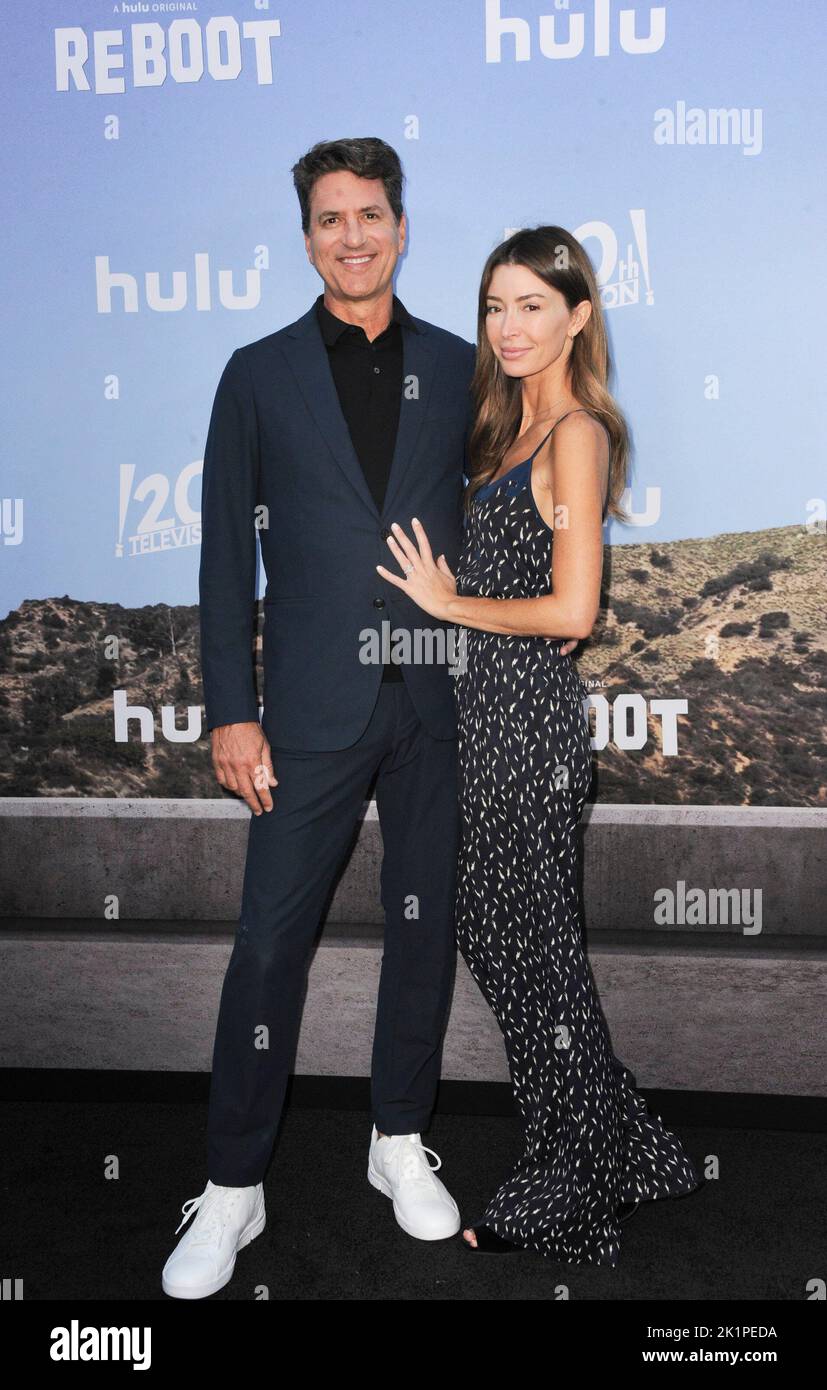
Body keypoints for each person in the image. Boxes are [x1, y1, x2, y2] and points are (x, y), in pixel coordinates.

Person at [161, 140, 581, 1300]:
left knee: (422, 926)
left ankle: (396, 1135)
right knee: (266, 949)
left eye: (373, 215)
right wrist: (231, 714)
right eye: (331, 218)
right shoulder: (254, 372)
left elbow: (529, 488)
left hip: (433, 697)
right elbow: (218, 562)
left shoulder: (459, 368)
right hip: (303, 711)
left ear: (402, 230)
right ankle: (233, 1186)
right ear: (306, 237)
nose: (353, 235)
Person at [376, 225, 703, 1264]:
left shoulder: (575, 431)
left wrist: (447, 601)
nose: (509, 327)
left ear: (577, 315)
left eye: (530, 305)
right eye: (493, 306)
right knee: (518, 948)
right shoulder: (501, 430)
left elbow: (572, 608)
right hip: (478, 724)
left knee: (536, 959)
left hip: (525, 727)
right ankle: (622, 1148)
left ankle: (566, 1179)